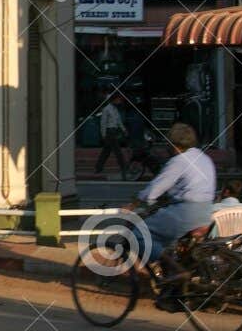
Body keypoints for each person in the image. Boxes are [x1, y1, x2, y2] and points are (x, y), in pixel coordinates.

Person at [129, 121, 217, 261]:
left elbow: (155, 188)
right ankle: (171, 270)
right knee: (166, 237)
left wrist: (133, 205)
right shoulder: (205, 158)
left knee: (138, 234)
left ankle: (173, 267)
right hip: (206, 213)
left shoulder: (179, 161)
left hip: (186, 212)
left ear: (173, 144)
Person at [93, 93, 130, 179]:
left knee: (106, 152)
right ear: (114, 99)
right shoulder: (106, 109)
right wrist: (103, 134)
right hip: (109, 132)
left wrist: (124, 130)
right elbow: (103, 123)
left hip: (114, 132)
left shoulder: (115, 109)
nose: (119, 101)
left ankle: (98, 168)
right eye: (118, 100)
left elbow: (119, 121)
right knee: (117, 151)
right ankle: (123, 167)